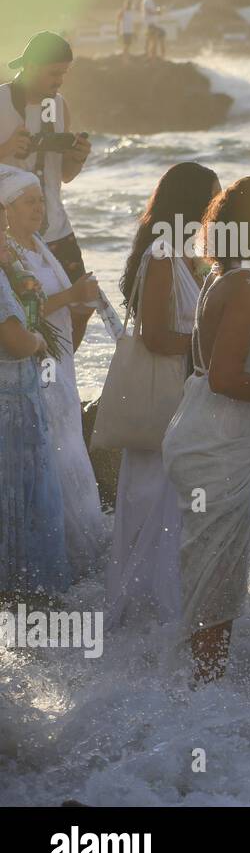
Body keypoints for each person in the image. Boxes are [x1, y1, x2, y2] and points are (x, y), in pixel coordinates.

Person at [161, 174, 250, 685]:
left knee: (214, 572)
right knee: (215, 580)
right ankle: (203, 690)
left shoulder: (227, 276)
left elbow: (224, 360)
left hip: (205, 433)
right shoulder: (247, 287)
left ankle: (201, 684)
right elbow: (225, 376)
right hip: (215, 444)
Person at [104, 162, 220, 628]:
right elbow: (154, 336)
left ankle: (172, 603)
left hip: (183, 396)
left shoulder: (180, 254)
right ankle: (150, 611)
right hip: (166, 400)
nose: (217, 208)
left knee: (173, 504)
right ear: (192, 203)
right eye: (212, 199)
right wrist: (210, 346)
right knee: (159, 499)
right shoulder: (161, 254)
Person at [1, 167, 108, 577]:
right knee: (52, 457)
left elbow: (56, 314)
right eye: (28, 201)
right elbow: (16, 316)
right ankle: (52, 556)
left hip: (60, 364)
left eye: (41, 200)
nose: (38, 207)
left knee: (71, 450)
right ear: (6, 210)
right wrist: (71, 295)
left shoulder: (40, 245)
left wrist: (81, 307)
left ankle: (82, 554)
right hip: (29, 369)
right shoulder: (9, 256)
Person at [0, 32, 94, 350]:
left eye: (64, 73)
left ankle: (57, 369)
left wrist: (76, 158)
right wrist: (8, 148)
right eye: (54, 73)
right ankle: (33, 371)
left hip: (55, 224)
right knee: (24, 310)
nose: (60, 81)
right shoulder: (0, 103)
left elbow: (64, 176)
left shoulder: (59, 106)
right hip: (12, 232)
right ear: (30, 66)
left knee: (84, 305)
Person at [0, 198, 69, 597]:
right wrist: (39, 338)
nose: (6, 238)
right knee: (19, 498)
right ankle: (24, 592)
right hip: (9, 404)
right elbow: (15, 340)